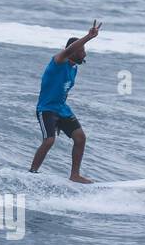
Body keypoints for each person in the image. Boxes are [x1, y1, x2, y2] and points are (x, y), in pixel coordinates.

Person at [29, 20, 101, 183]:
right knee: (49, 140)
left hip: (61, 109)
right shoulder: (58, 61)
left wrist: (61, 121)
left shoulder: (73, 69)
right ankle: (32, 172)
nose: (85, 53)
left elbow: (63, 91)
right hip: (47, 108)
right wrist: (88, 37)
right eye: (82, 49)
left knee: (80, 138)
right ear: (73, 51)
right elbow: (68, 50)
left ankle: (74, 175)